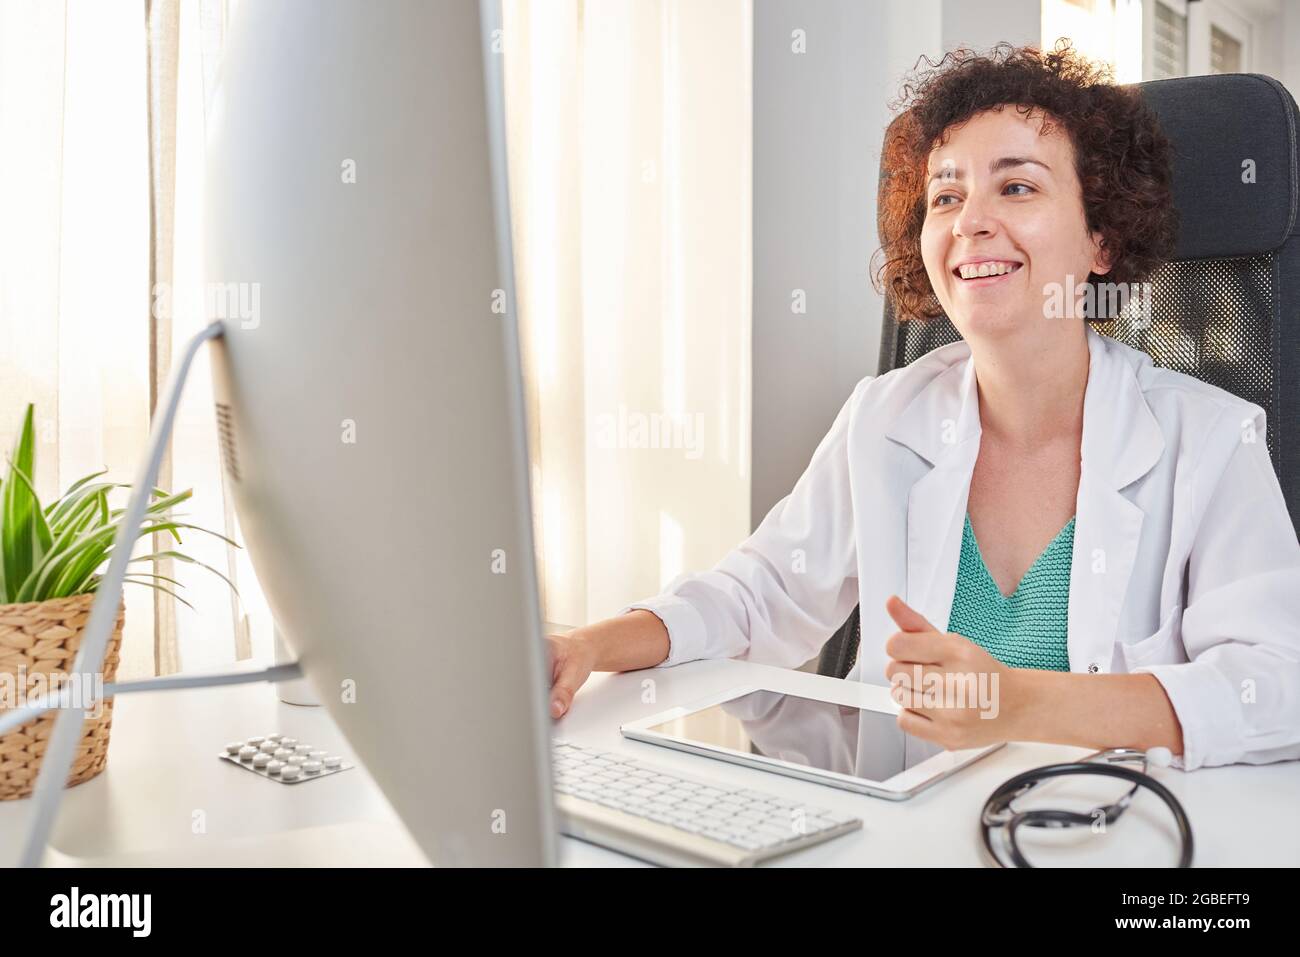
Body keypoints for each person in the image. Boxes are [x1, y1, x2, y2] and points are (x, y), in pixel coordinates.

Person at [544, 43, 1300, 771]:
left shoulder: (1209, 439)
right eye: (946, 195)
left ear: (1101, 238)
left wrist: (1022, 702)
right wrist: (588, 647)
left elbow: (1277, 687)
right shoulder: (885, 417)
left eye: (1017, 186)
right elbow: (757, 597)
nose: (971, 219)